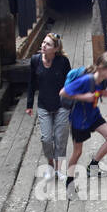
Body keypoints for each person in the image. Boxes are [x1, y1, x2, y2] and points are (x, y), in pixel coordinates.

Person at [59, 50, 107, 189]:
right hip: (79, 120)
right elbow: (63, 92)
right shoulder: (86, 80)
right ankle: (69, 181)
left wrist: (104, 93)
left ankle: (92, 167)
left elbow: (101, 92)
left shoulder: (103, 81)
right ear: (103, 69)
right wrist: (83, 97)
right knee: (77, 152)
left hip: (93, 115)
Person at [25, 32, 71, 181]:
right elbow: (31, 83)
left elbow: (70, 83)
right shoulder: (35, 60)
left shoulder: (63, 62)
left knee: (60, 137)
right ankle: (51, 165)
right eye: (43, 43)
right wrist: (29, 104)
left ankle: (59, 168)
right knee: (46, 138)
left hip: (61, 105)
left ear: (56, 49)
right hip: (44, 104)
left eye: (48, 44)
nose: (44, 46)